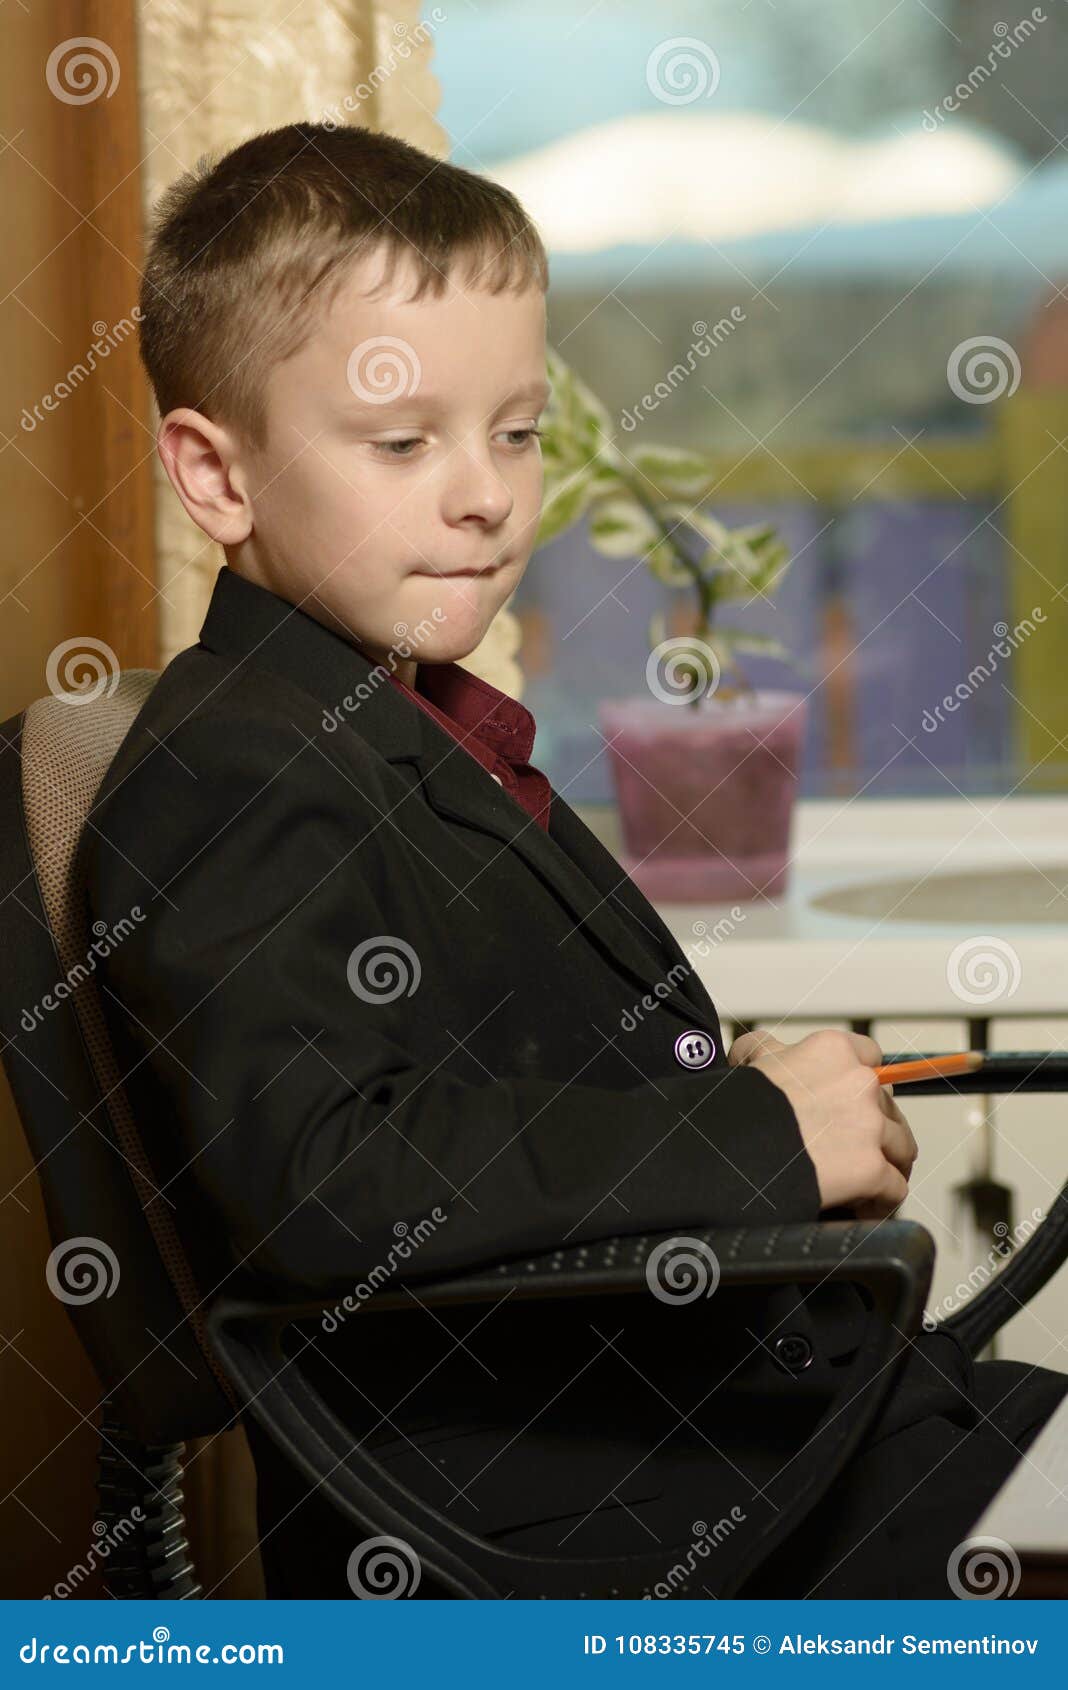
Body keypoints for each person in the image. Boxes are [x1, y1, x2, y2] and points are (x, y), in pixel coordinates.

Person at [83, 122, 1068, 1599]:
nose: (485, 492)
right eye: (405, 441)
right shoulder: (239, 767)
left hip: (762, 1430)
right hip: (644, 1511)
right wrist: (753, 1139)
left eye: (519, 430)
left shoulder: (385, 728)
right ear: (217, 477)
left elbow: (471, 1077)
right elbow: (324, 1173)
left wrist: (733, 1093)